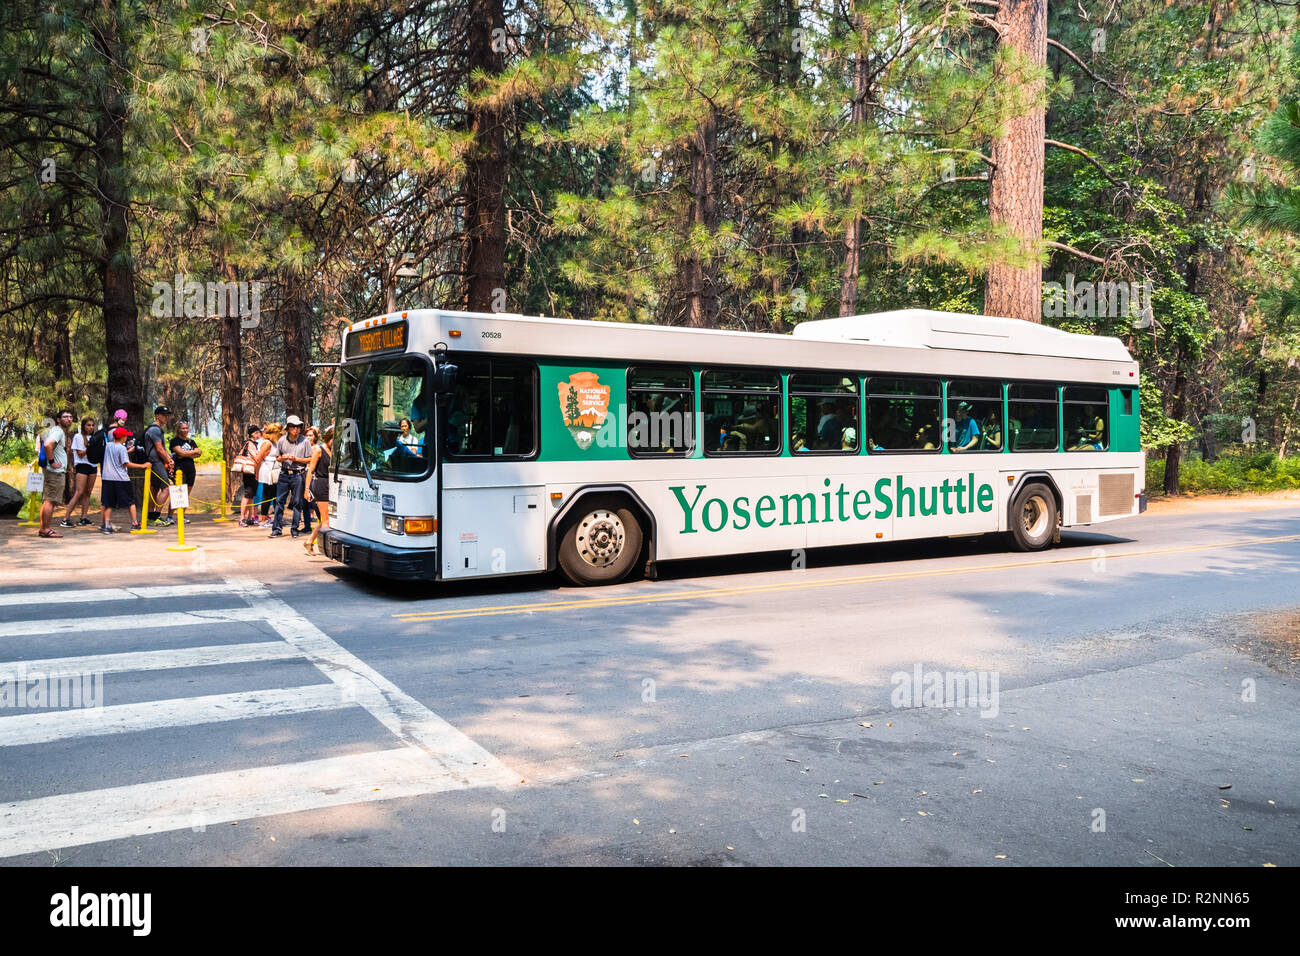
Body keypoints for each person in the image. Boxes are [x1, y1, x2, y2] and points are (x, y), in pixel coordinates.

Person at [100, 426, 150, 531]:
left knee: (108, 502)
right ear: (122, 437)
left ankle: (107, 525)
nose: (127, 437)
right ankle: (134, 523)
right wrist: (142, 466)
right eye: (126, 436)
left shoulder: (108, 446)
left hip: (107, 478)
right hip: (121, 479)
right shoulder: (122, 448)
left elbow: (116, 454)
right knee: (130, 502)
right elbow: (126, 463)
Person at [270, 415, 312, 538]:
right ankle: (276, 528)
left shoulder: (305, 441)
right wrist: (282, 458)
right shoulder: (282, 440)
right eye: (293, 426)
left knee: (297, 502)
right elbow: (277, 457)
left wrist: (297, 459)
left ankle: (295, 529)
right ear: (288, 428)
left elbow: (310, 459)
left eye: (298, 426)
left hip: (298, 475)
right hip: (284, 473)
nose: (296, 429)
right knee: (279, 502)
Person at [38, 409, 73, 538]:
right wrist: (52, 462)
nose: (68, 419)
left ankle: (43, 529)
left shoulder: (57, 431)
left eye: (70, 417)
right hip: (55, 472)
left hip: (52, 471)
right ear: (58, 420)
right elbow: (47, 445)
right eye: (65, 416)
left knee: (47, 500)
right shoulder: (58, 431)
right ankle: (46, 529)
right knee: (51, 501)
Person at [61, 415, 98, 528]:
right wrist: (90, 447)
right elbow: (80, 454)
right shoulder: (78, 437)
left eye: (92, 425)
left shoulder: (94, 437)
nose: (90, 427)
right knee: (79, 492)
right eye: (88, 425)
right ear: (83, 426)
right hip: (82, 465)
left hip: (93, 465)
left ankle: (84, 517)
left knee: (88, 492)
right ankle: (65, 518)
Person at [143, 406, 176, 525]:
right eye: (164, 415)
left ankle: (150, 517)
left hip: (156, 462)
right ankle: (156, 516)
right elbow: (159, 449)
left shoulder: (156, 429)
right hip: (156, 462)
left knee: (155, 489)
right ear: (157, 416)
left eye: (167, 415)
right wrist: (169, 460)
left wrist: (168, 458)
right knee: (166, 488)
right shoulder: (155, 430)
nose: (166, 417)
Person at [304, 425, 332, 556]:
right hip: (321, 485)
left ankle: (309, 541)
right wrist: (307, 489)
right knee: (326, 520)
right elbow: (310, 470)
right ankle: (326, 547)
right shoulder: (319, 450)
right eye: (333, 440)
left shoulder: (336, 452)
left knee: (327, 519)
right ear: (328, 438)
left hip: (333, 484)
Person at [252, 422, 282, 526]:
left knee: (273, 495)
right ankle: (264, 519)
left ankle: (273, 518)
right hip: (267, 471)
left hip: (275, 470)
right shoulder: (267, 443)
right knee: (267, 495)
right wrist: (256, 473)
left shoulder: (275, 443)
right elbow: (258, 458)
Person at [235, 425, 263, 526]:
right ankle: (242, 518)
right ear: (254, 433)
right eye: (259, 432)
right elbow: (256, 456)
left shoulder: (254, 443)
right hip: (249, 472)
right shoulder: (250, 444)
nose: (260, 434)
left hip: (253, 472)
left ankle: (250, 517)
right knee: (247, 494)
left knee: (251, 495)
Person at [169, 421, 201, 493]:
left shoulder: (191, 441)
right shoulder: (174, 441)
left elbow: (199, 453)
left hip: (191, 469)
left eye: (187, 428)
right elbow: (180, 453)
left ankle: (185, 505)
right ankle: (173, 505)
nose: (185, 430)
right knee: (178, 493)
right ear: (179, 429)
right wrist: (192, 453)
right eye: (183, 428)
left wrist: (184, 454)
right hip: (179, 469)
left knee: (187, 492)